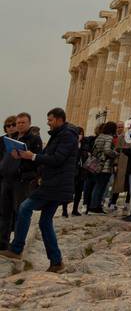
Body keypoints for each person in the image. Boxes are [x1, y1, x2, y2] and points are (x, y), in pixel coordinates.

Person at [0, 107, 77, 272]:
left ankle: (16, 249)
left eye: (50, 120)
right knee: (44, 222)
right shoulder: (60, 135)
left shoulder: (67, 135)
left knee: (24, 207)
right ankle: (56, 262)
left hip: (55, 185)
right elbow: (49, 158)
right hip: (54, 184)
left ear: (58, 119)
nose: (48, 123)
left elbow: (57, 159)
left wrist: (31, 156)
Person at [0, 113, 42, 250]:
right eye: (17, 123)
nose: (19, 125)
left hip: (21, 180)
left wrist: (25, 159)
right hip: (6, 179)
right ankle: (2, 241)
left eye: (22, 123)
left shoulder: (34, 139)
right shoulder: (10, 138)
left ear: (29, 123)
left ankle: (17, 244)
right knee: (4, 212)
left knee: (20, 212)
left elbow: (37, 161)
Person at [87, 122, 117, 212]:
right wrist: (115, 153)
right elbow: (107, 150)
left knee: (97, 186)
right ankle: (95, 206)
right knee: (101, 187)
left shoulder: (100, 136)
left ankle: (94, 205)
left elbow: (95, 150)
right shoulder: (109, 137)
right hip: (105, 165)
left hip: (97, 164)